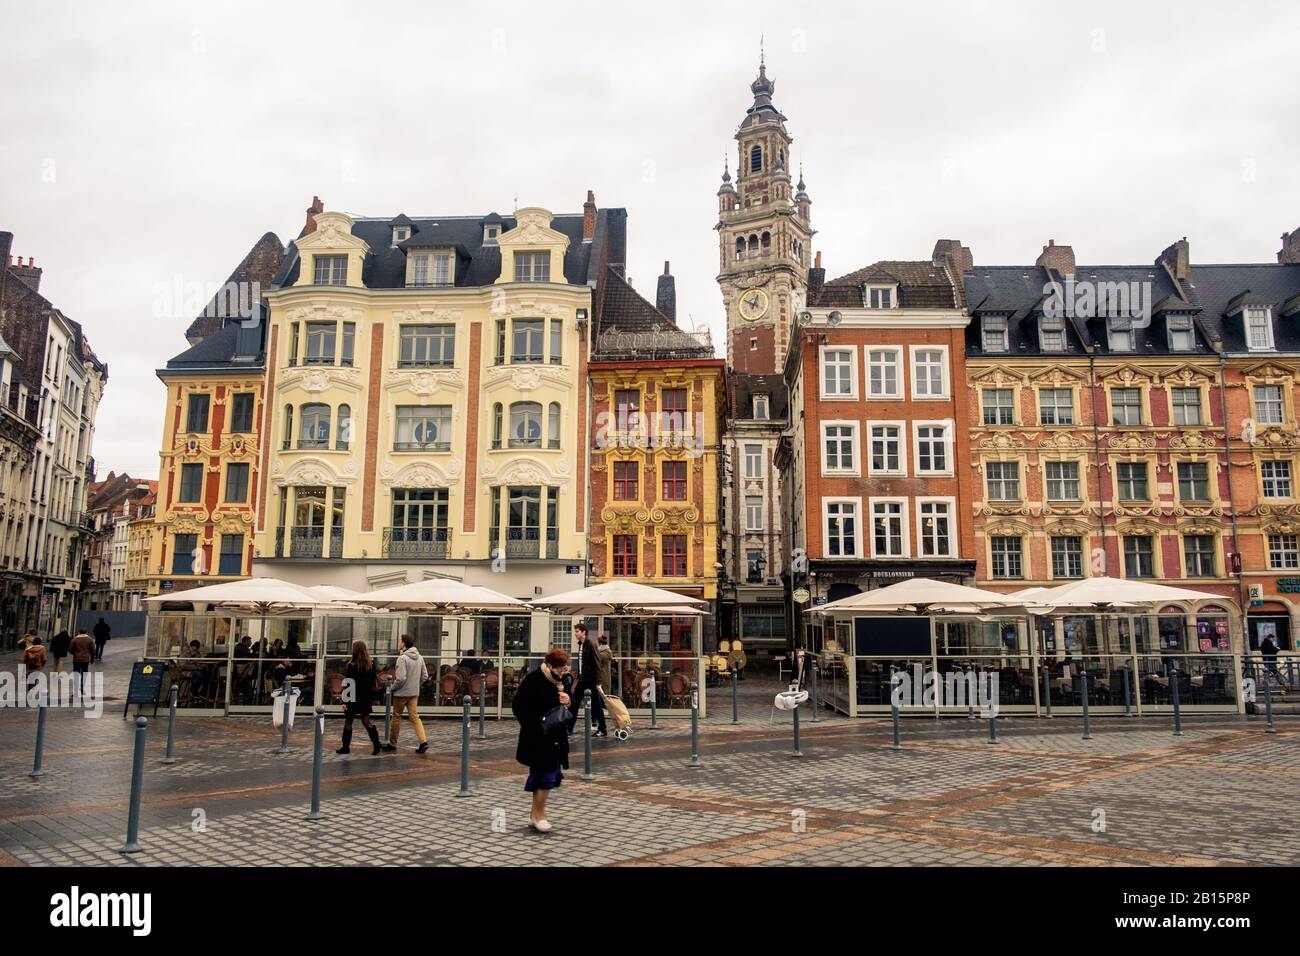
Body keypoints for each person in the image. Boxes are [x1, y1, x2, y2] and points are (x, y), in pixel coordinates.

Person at [512, 648, 573, 833]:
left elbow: (571, 702)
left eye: (564, 669)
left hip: (555, 736)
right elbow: (519, 707)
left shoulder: (561, 681)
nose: (562, 673)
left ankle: (535, 815)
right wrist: (535, 725)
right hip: (537, 737)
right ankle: (539, 815)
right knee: (545, 775)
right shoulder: (534, 679)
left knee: (544, 775)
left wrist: (568, 700)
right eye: (559, 669)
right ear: (549, 666)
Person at [381, 634, 428, 753]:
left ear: (404, 644)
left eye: (400, 641)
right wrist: (416, 685)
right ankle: (423, 741)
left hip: (401, 693)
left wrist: (392, 688)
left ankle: (393, 743)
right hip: (414, 692)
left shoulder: (402, 658)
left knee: (396, 717)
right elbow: (425, 676)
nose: (399, 643)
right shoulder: (420, 657)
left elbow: (401, 678)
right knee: (415, 717)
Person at [338, 640, 383, 755]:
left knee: (349, 721)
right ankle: (376, 744)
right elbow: (373, 683)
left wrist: (344, 701)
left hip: (353, 697)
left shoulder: (351, 665)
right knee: (366, 721)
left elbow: (348, 684)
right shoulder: (370, 665)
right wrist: (374, 697)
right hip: (365, 697)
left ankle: (345, 747)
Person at [571, 622, 606, 737]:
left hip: (591, 681)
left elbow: (597, 663)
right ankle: (569, 728)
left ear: (583, 632)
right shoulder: (581, 645)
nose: (575, 633)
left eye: (577, 631)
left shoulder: (590, 644)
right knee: (574, 703)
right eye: (575, 631)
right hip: (582, 680)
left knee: (596, 705)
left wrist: (598, 682)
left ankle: (602, 729)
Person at [69, 628, 96, 697]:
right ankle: (82, 688)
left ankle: (75, 691)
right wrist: (92, 659)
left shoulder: (74, 639)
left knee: (76, 674)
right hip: (85, 660)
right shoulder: (90, 639)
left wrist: (75, 654)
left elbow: (70, 650)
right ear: (86, 632)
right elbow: (93, 650)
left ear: (79, 632)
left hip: (76, 660)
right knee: (84, 674)